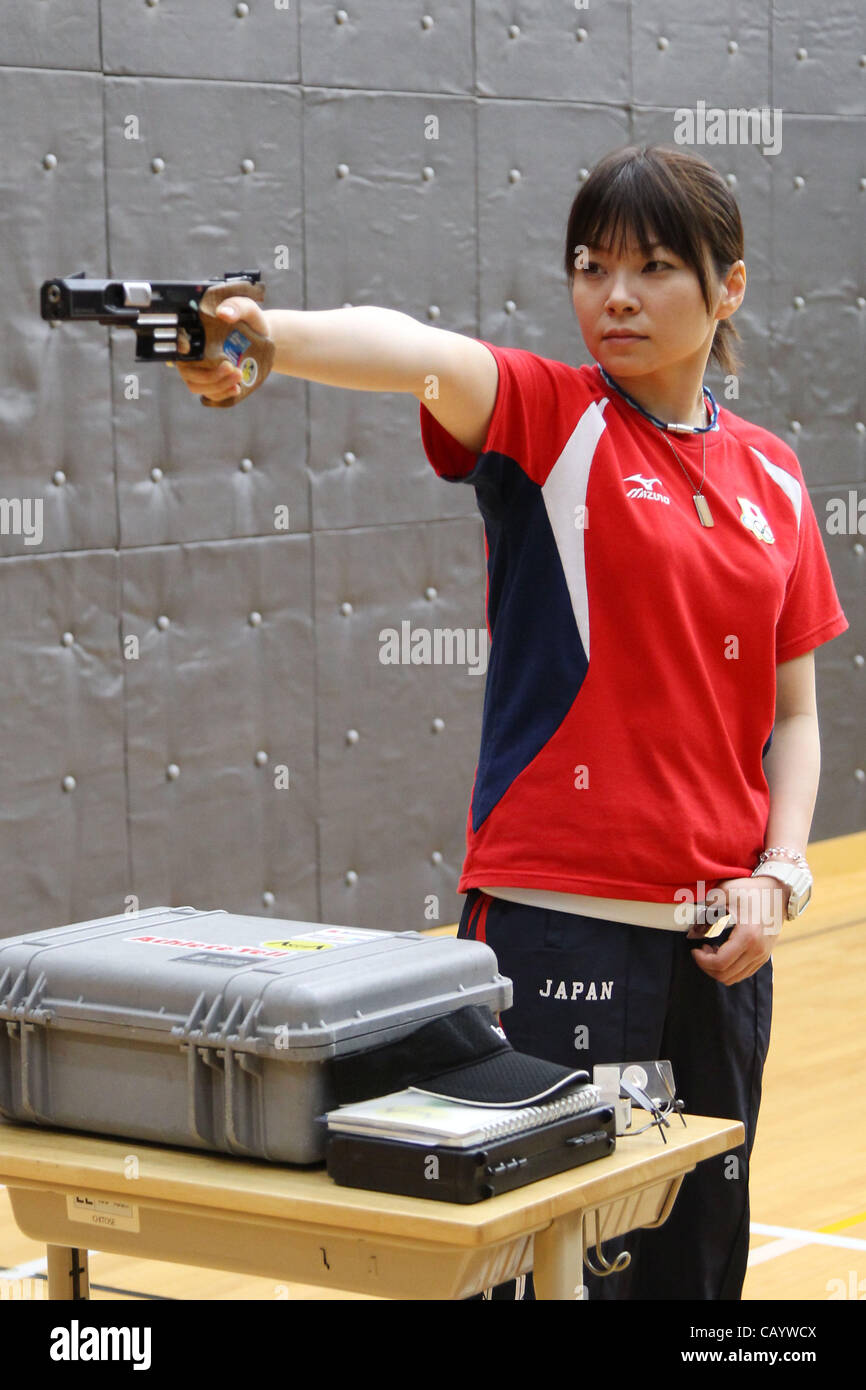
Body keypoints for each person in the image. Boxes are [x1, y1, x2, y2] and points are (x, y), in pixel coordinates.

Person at [174, 143, 849, 1300]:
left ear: (726, 285)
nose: (613, 296)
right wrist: (266, 334)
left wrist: (778, 874)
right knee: (540, 1269)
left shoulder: (774, 477)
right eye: (589, 266)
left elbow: (792, 713)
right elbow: (417, 352)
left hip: (721, 941)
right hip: (554, 929)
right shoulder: (548, 416)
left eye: (650, 268)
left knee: (694, 1272)